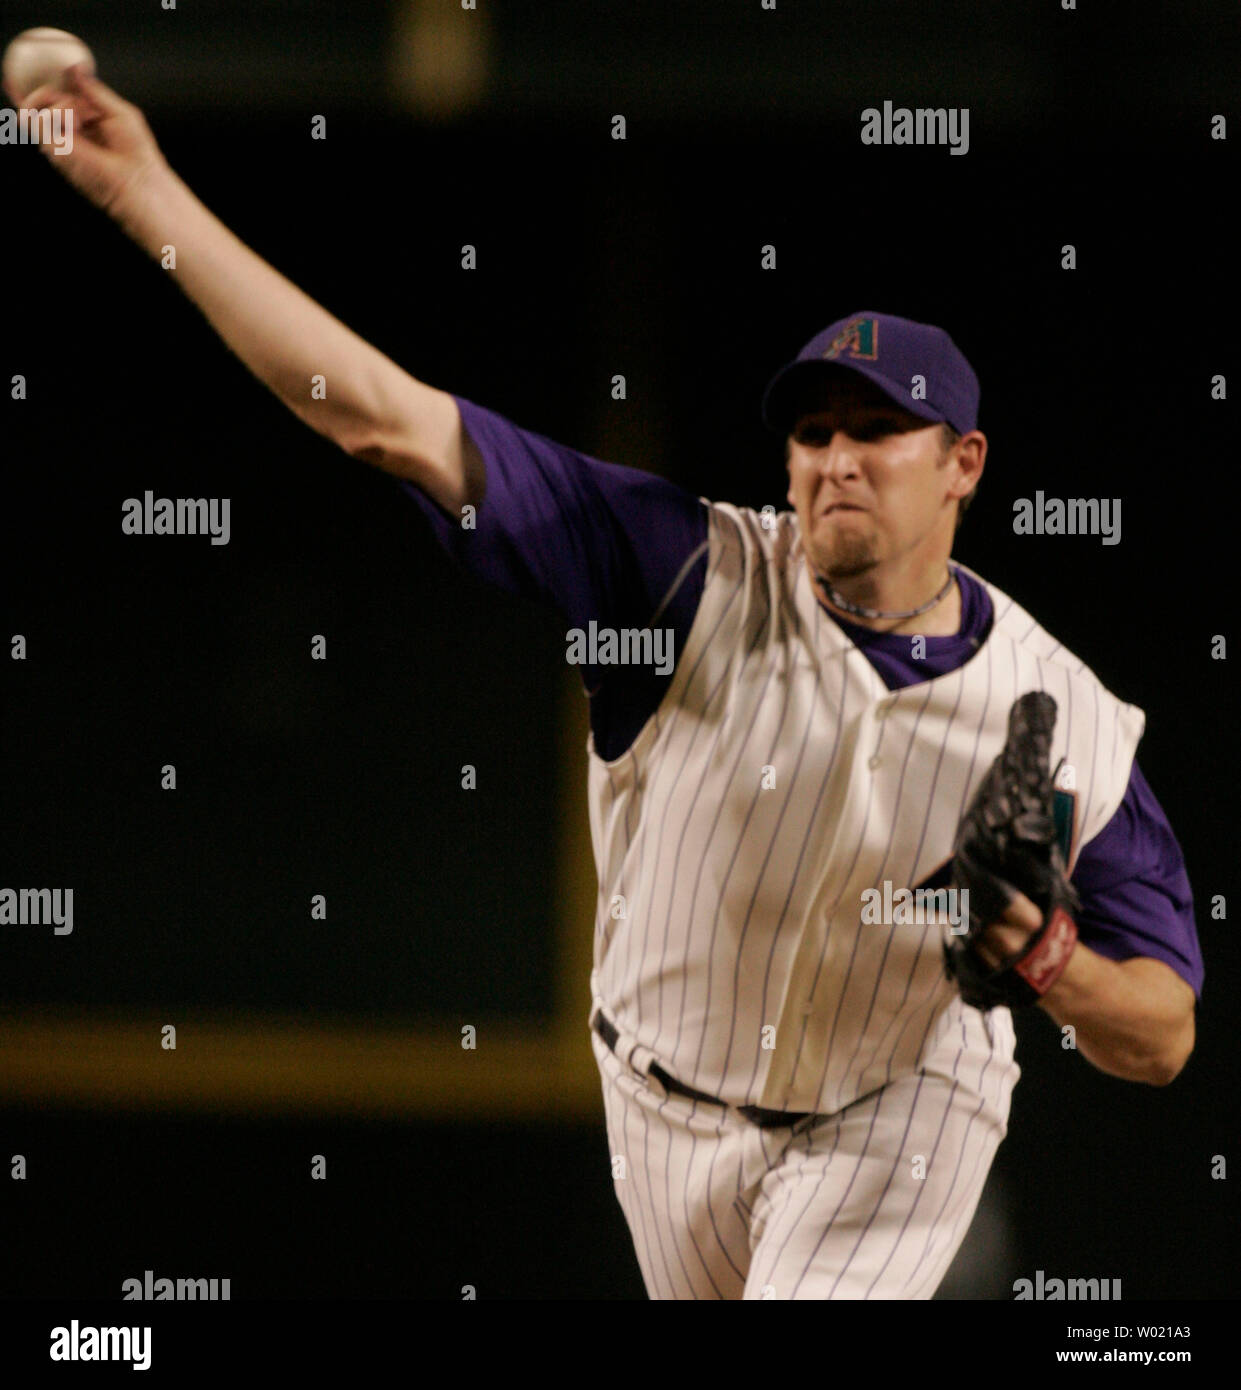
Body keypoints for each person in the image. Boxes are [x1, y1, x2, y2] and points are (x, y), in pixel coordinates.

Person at [21, 66, 1202, 1300]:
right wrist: (143, 192)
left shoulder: (1060, 713)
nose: (836, 458)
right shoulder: (677, 570)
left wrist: (1044, 952)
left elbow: (1160, 1036)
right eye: (812, 432)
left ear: (962, 463)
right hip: (659, 1095)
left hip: (894, 1108)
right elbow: (381, 419)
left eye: (875, 428)